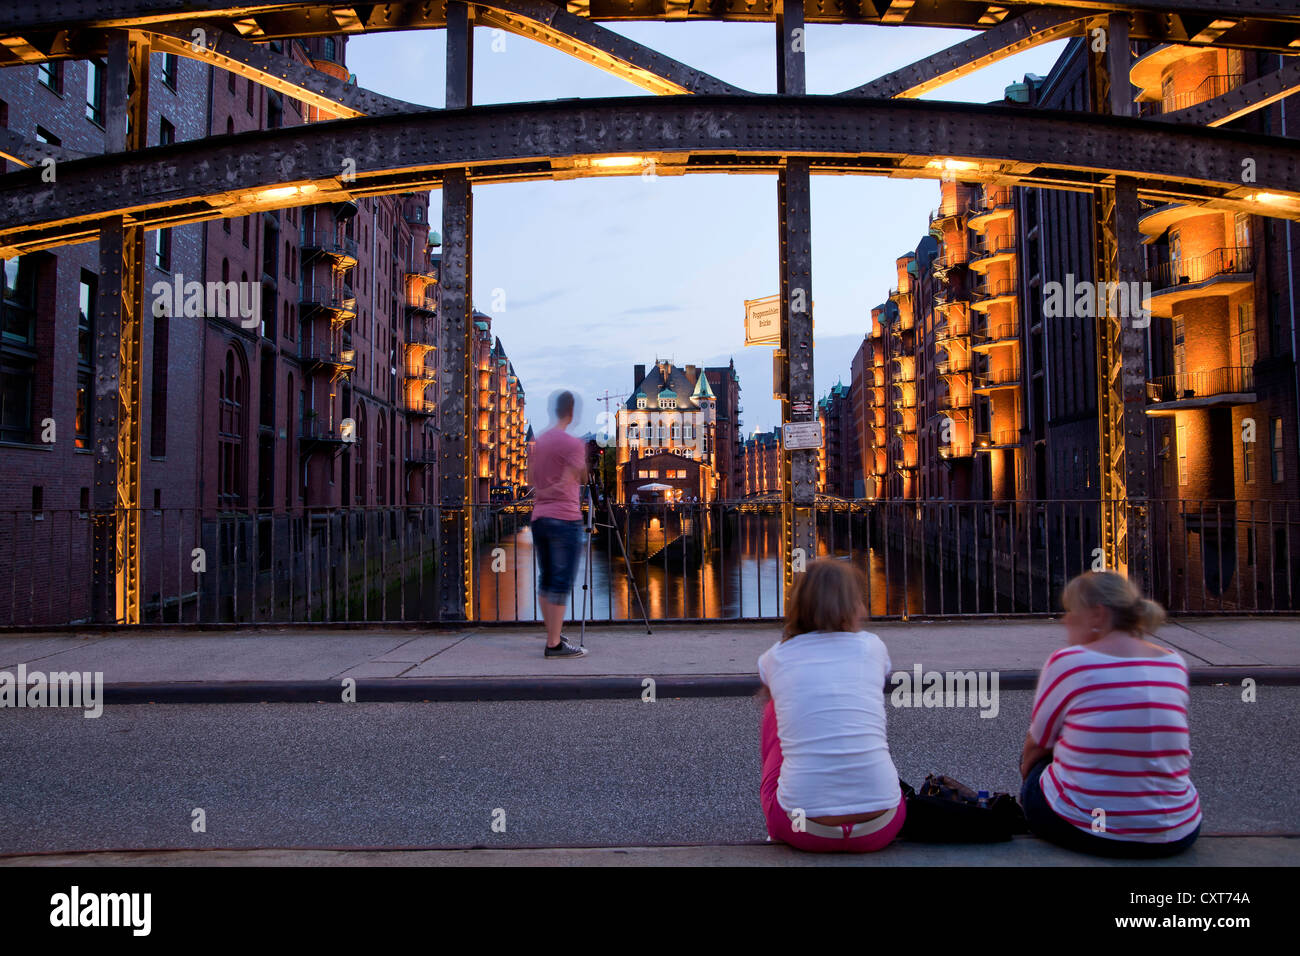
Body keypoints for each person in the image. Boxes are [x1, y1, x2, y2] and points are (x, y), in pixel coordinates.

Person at [1019, 570, 1201, 857]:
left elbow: (1038, 745)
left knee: (1042, 766)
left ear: (1097, 615)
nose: (1065, 620)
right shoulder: (1174, 663)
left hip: (1096, 831)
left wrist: (1030, 783)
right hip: (1178, 830)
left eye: (1071, 611)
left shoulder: (1070, 662)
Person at [756, 558, 906, 852]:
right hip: (883, 824)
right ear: (853, 604)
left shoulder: (776, 657)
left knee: (776, 709)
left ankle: (776, 831)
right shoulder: (873, 647)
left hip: (802, 828)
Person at [529, 390, 588, 659]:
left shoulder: (539, 442)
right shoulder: (573, 444)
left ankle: (553, 633)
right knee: (562, 582)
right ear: (571, 412)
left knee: (546, 579)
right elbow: (568, 482)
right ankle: (554, 644)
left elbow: (531, 480)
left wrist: (542, 493)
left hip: (539, 518)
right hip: (564, 518)